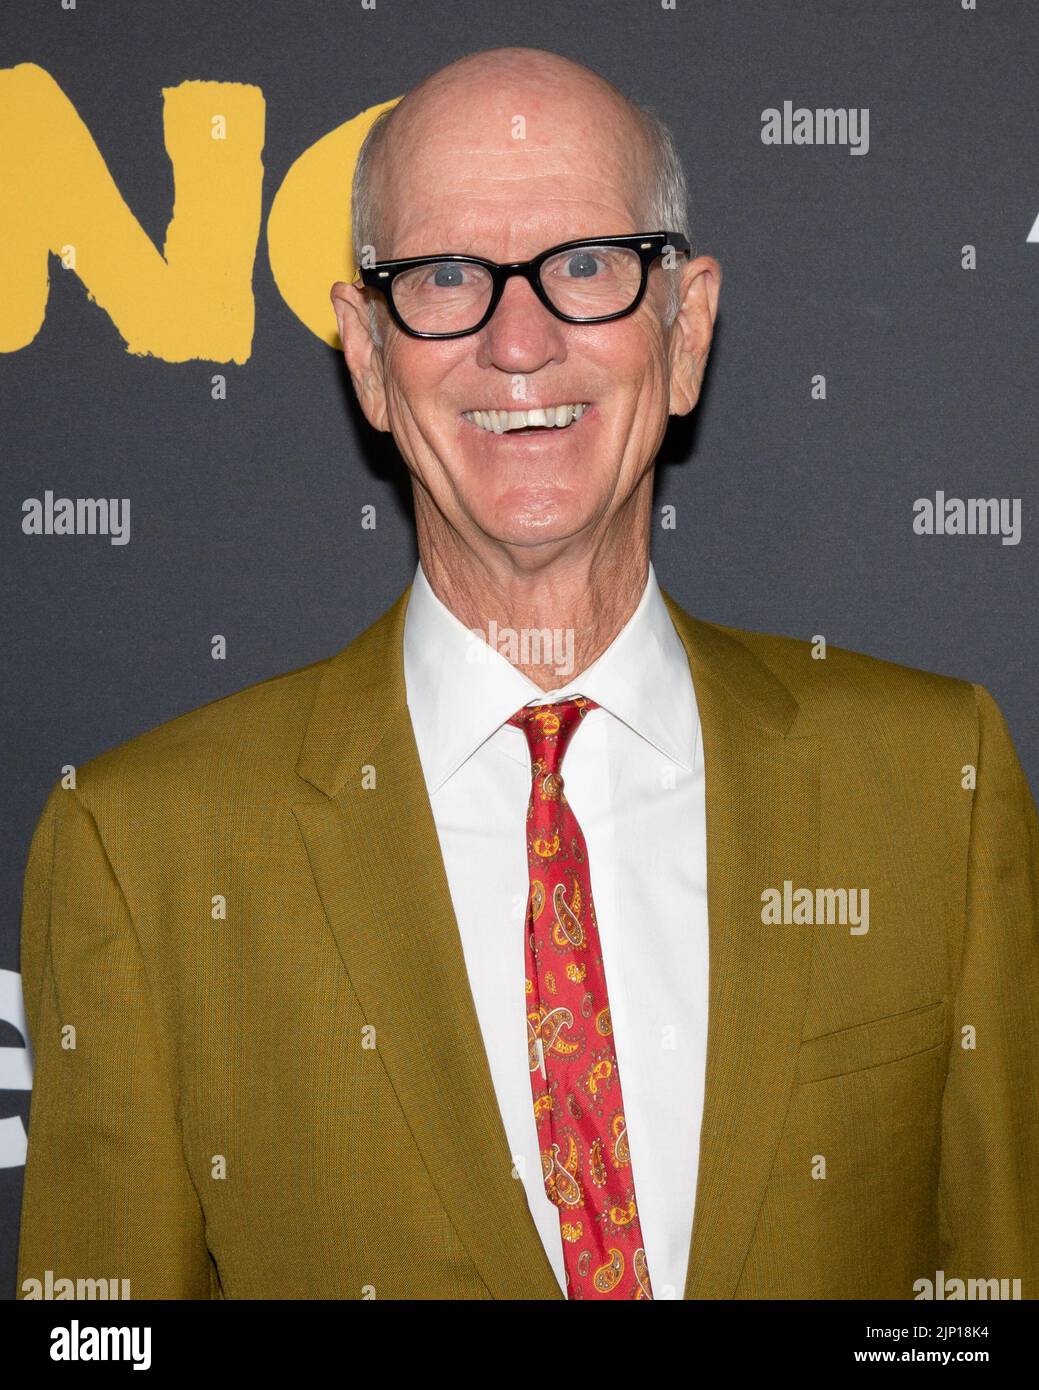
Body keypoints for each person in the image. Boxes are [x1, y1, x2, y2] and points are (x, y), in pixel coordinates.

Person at [17, 46, 1039, 1301]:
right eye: (446, 275)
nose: (518, 341)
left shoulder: (933, 785)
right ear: (366, 354)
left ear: (686, 330)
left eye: (586, 265)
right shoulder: (145, 851)